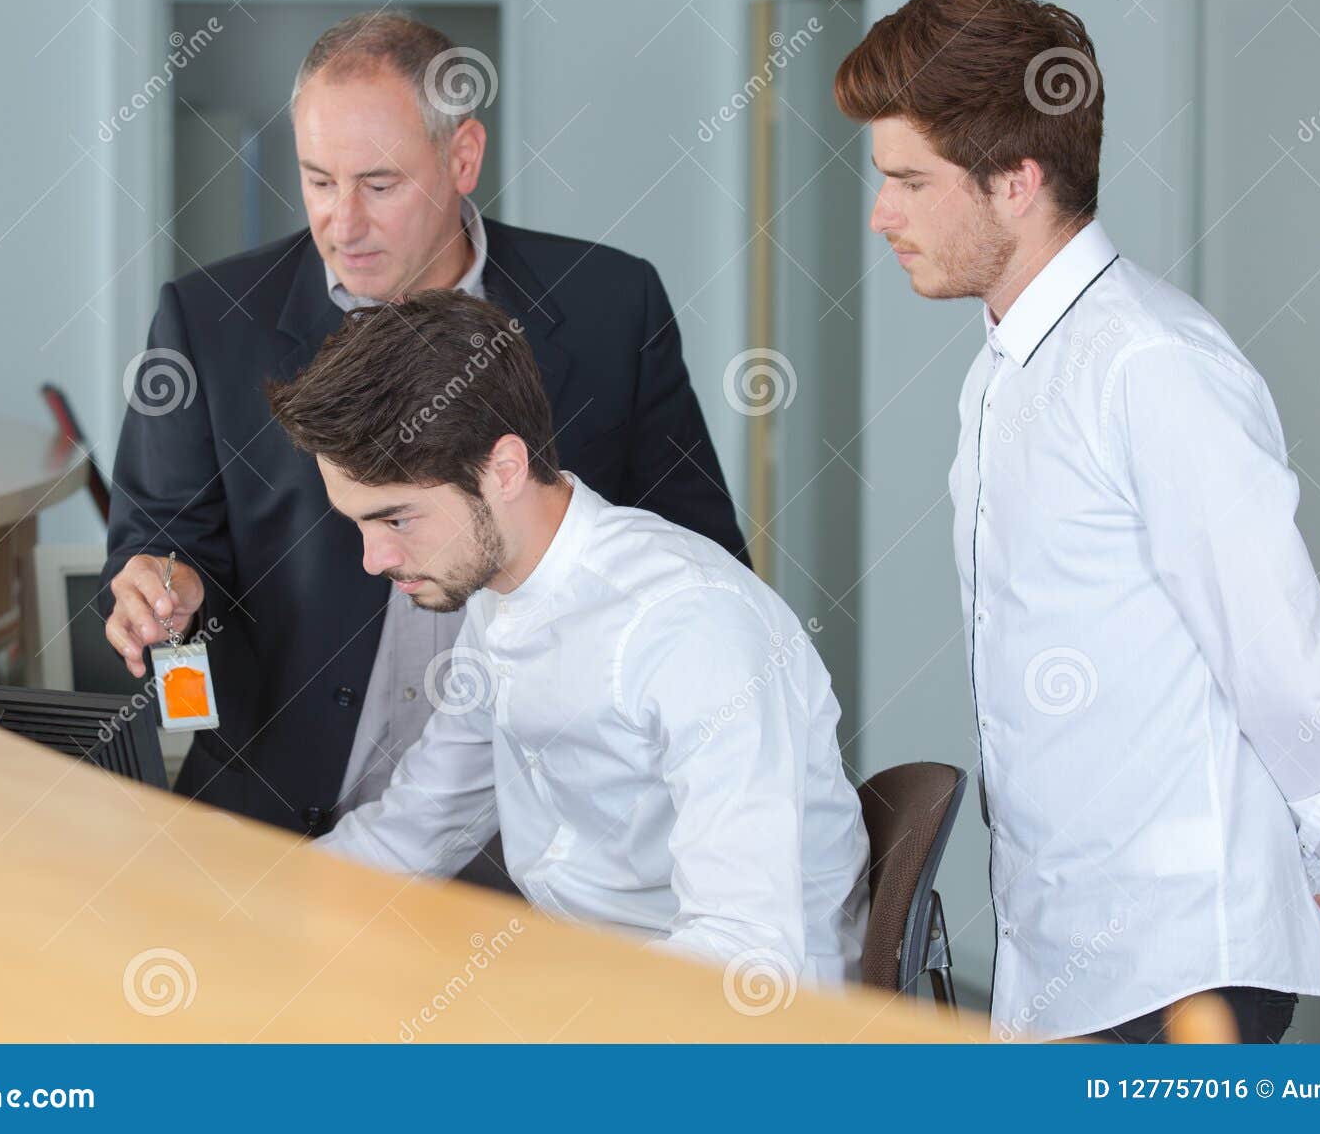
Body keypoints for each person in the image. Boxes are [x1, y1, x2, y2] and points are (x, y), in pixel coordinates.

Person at [835, 0, 1320, 1042]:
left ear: (1016, 180)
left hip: (1176, 963)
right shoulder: (1002, 370)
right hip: (1065, 947)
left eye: (909, 181)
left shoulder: (1150, 362)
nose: (881, 215)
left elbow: (1274, 640)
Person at [101, 13, 747, 859]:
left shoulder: (611, 308)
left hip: (537, 836)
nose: (342, 224)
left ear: (463, 157)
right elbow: (157, 540)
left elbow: (701, 559)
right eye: (319, 180)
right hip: (280, 821)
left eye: (380, 184)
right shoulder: (208, 320)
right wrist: (165, 594)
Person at [266, 288, 870, 988]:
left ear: (504, 470)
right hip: (594, 979)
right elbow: (421, 822)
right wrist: (251, 908)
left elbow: (744, 947)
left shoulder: (690, 622)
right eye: (359, 523)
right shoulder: (499, 592)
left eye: (397, 519)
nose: (374, 560)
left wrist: (539, 1006)